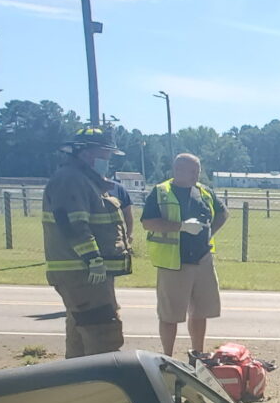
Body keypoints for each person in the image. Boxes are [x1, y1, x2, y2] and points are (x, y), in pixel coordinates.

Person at [41, 126, 131, 358]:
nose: (108, 160)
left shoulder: (85, 180)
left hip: (87, 274)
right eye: (105, 154)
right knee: (103, 333)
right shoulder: (70, 180)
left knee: (81, 332)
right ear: (87, 153)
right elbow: (73, 224)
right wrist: (93, 259)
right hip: (82, 273)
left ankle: (77, 376)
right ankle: (103, 378)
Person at [141, 153, 228, 357]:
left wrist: (210, 233)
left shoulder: (204, 191)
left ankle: (197, 355)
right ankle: (167, 356)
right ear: (178, 170)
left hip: (202, 259)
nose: (196, 175)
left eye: (198, 171)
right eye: (192, 171)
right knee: (170, 314)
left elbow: (223, 213)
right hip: (174, 261)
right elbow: (148, 222)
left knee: (201, 311)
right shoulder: (161, 192)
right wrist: (181, 227)